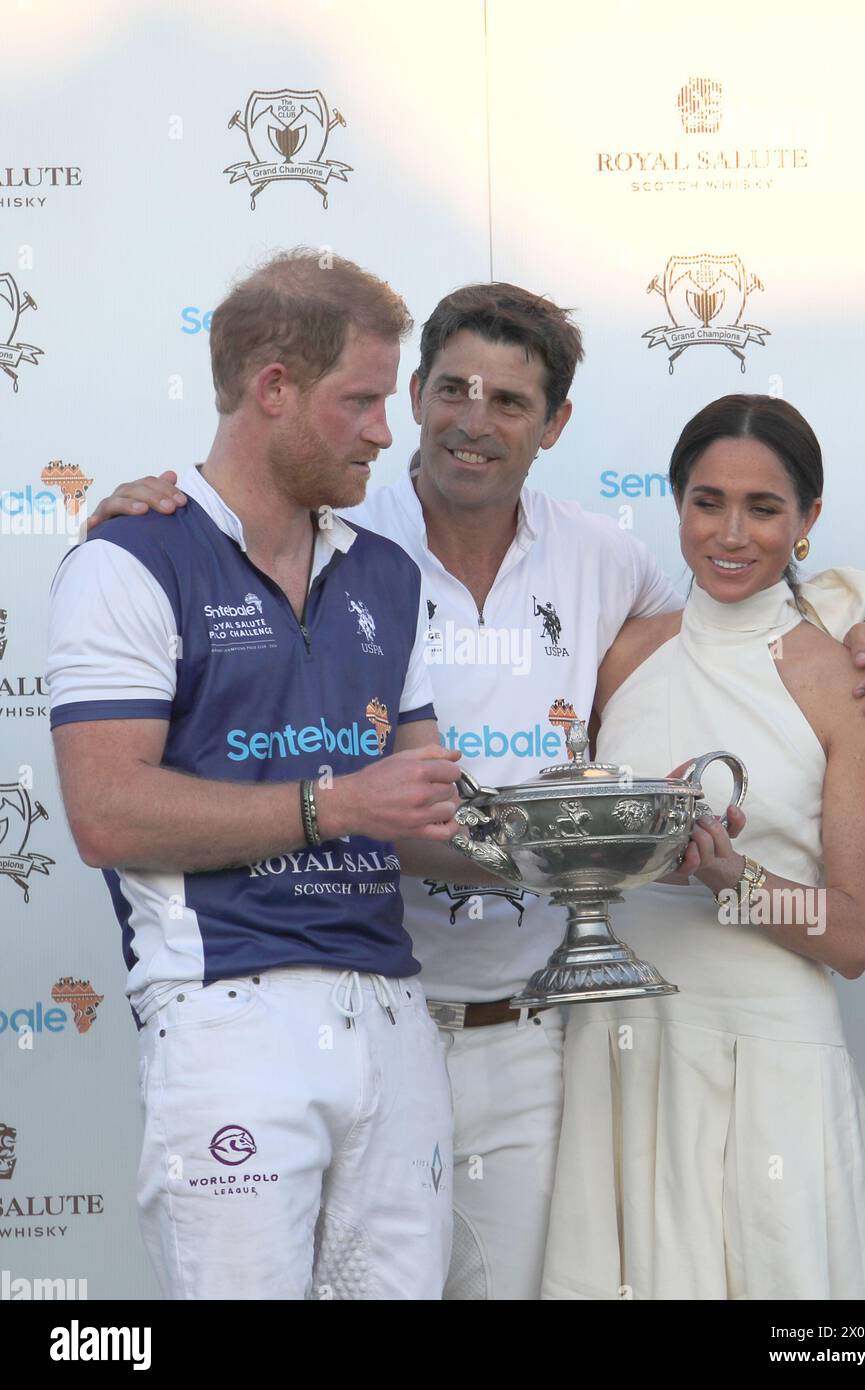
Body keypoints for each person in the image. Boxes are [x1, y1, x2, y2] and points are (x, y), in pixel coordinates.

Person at [87, 284, 865, 1301]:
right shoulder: (348, 539)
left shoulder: (614, 572)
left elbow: (838, 903)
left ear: (556, 425)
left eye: (511, 402)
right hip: (405, 1016)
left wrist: (861, 638)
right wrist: (144, 516)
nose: (473, 421)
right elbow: (228, 529)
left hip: (557, 1044)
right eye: (449, 389)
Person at [47, 251, 465, 1301]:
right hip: (229, 1008)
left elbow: (418, 810)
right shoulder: (129, 559)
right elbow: (105, 813)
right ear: (274, 387)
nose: (386, 430)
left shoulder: (386, 571)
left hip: (393, 1011)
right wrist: (334, 805)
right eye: (361, 400)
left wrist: (587, 845)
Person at [542, 395, 865, 1300]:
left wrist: (726, 876)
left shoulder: (851, 685)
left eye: (764, 508)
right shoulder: (620, 658)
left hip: (770, 1054)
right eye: (707, 502)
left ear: (809, 519)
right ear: (675, 506)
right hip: (621, 1040)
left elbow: (854, 939)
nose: (731, 533)